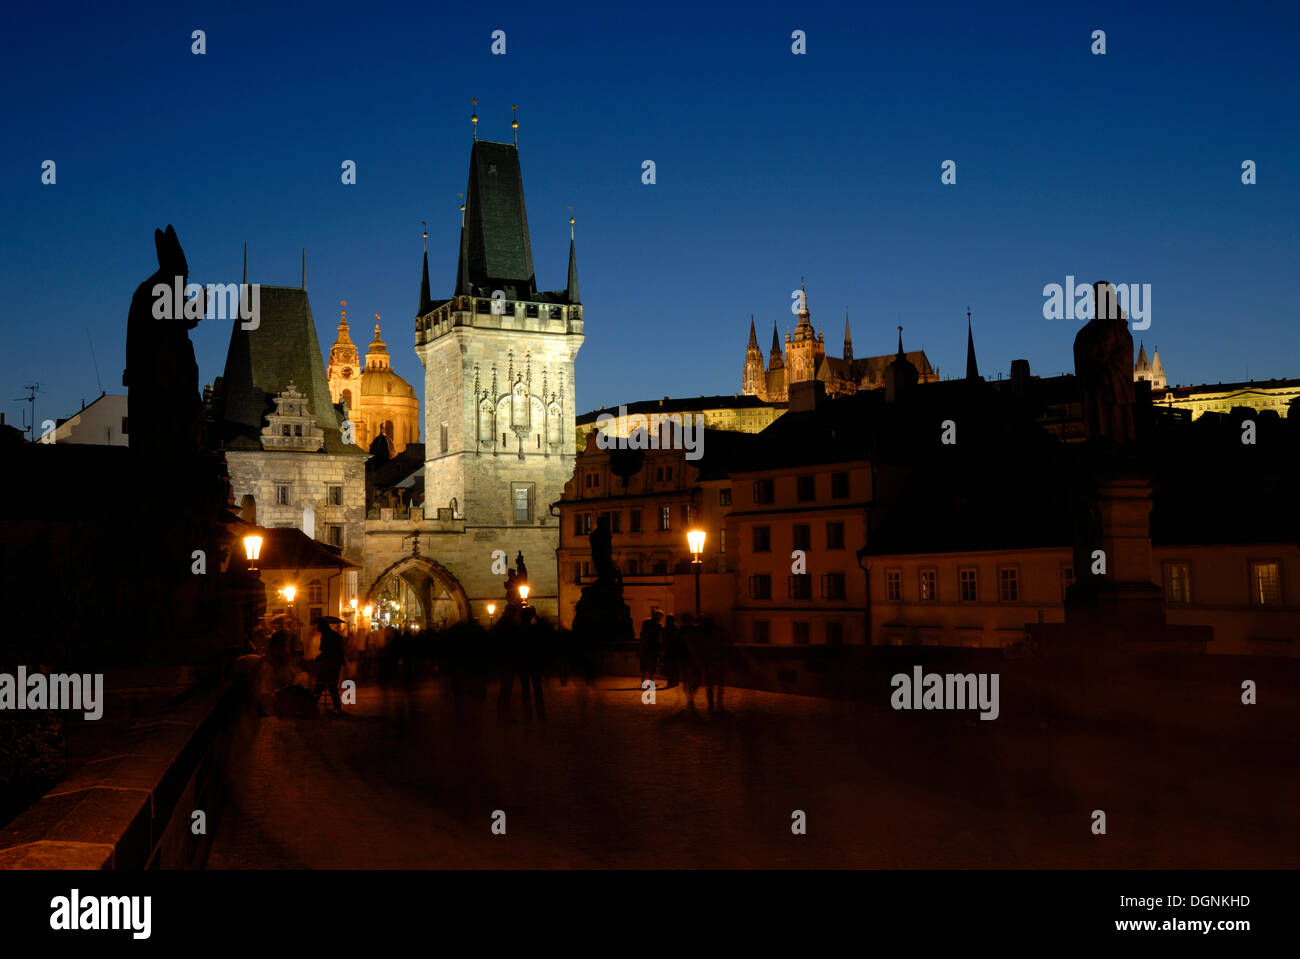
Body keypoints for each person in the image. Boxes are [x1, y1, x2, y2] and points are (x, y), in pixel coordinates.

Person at [312, 617, 348, 714]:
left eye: (318, 626)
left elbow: (326, 651)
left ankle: (312, 706)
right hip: (335, 663)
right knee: (332, 686)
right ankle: (337, 707)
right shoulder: (334, 635)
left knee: (320, 685)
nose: (317, 628)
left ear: (322, 626)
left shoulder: (326, 636)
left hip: (329, 663)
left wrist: (318, 658)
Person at [638, 610, 663, 686]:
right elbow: (659, 638)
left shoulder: (646, 622)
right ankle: (651, 681)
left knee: (644, 665)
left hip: (645, 646)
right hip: (653, 647)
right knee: (651, 665)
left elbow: (642, 634)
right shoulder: (658, 625)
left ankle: (643, 681)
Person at [662, 615, 683, 690]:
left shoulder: (665, 628)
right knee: (675, 667)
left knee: (669, 667)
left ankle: (670, 681)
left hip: (668, 650)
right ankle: (675, 681)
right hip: (675, 650)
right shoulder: (675, 628)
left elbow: (663, 640)